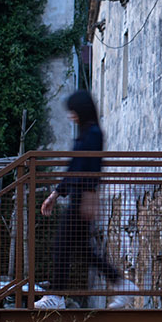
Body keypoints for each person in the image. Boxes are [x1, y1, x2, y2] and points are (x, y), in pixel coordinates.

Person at [40, 90, 137, 308]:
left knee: (62, 245)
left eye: (73, 111)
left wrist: (90, 198)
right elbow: (74, 168)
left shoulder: (93, 133)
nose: (70, 116)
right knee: (83, 251)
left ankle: (57, 296)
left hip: (83, 197)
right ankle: (122, 285)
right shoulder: (85, 133)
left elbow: (93, 167)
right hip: (78, 195)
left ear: (82, 111)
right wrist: (56, 194)